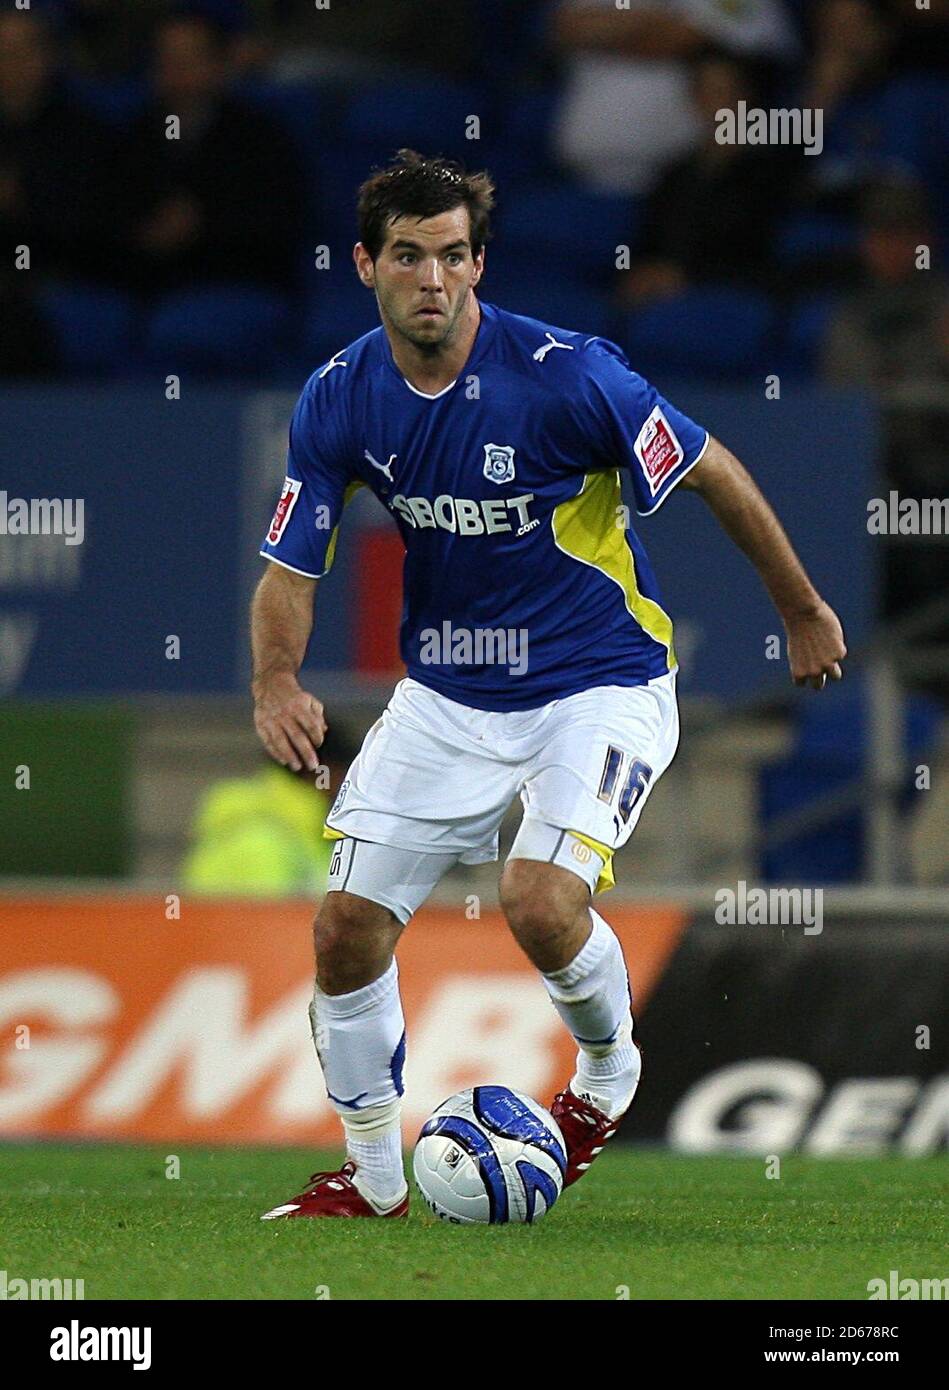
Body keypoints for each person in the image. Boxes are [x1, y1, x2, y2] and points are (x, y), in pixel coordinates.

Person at [250, 150, 846, 1219]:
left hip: (599, 678)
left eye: (451, 256)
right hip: (445, 694)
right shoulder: (339, 397)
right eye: (406, 256)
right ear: (364, 264)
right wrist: (277, 681)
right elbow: (293, 566)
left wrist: (798, 607)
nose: (430, 278)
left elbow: (712, 469)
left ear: (478, 265)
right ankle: (376, 1181)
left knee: (536, 898)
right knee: (343, 925)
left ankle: (608, 1074)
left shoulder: (573, 374)